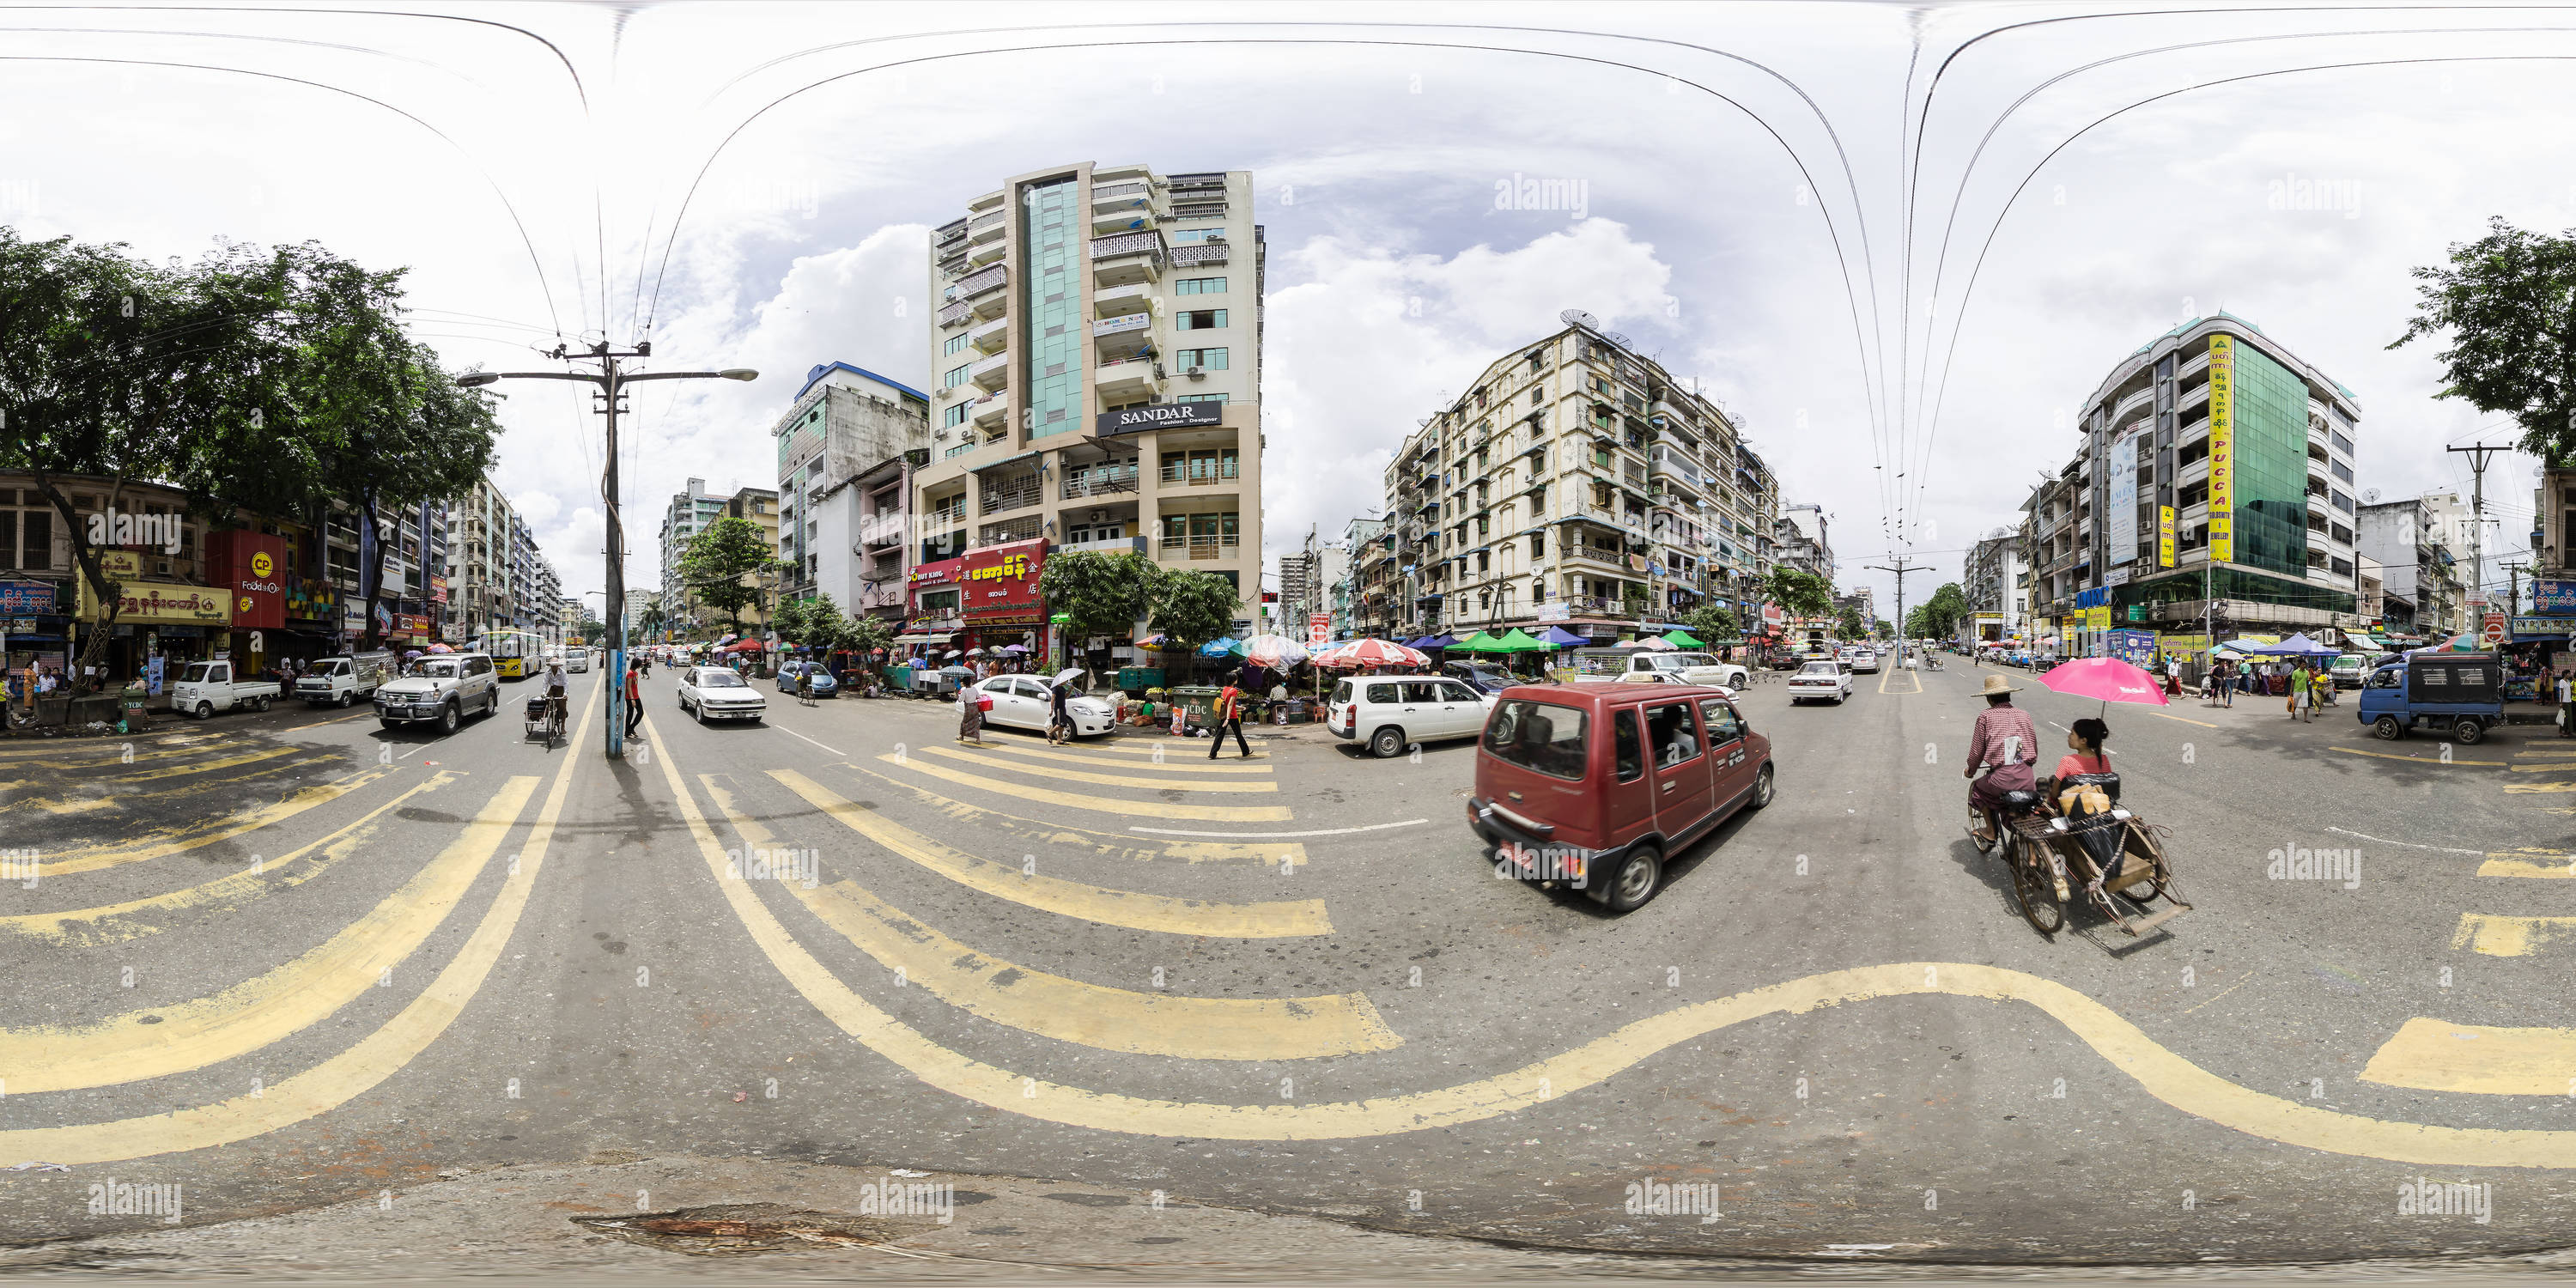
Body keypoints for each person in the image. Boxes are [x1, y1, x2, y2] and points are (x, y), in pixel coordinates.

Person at [1964, 673, 2040, 846]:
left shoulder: (1986, 716)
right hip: (2027, 776)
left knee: (1978, 788)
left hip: (2002, 778)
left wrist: (1971, 770)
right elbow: (2029, 747)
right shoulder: (2024, 715)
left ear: (1989, 699)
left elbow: (1977, 752)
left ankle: (1991, 832)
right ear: (2008, 695)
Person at [1209, 673, 1252, 759]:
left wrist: (1239, 707)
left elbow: (1227, 704)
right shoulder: (1234, 691)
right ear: (1234, 680)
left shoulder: (1225, 689)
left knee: (1220, 735)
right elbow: (1230, 705)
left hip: (1224, 715)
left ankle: (1212, 754)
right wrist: (1228, 718)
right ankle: (1245, 751)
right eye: (1236, 678)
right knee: (1238, 735)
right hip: (1231, 716)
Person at [544, 656, 568, 734]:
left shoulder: (563, 672)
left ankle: (563, 726)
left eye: (555, 666)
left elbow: (566, 683)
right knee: (547, 703)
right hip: (552, 690)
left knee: (562, 707)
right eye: (552, 666)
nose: (553, 667)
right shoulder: (548, 672)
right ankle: (552, 724)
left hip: (561, 690)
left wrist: (565, 694)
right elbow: (545, 683)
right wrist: (544, 692)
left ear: (558, 666)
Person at [957, 677, 986, 744]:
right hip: (975, 707)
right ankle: (977, 739)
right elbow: (979, 697)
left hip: (968, 708)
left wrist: (957, 694)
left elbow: (960, 700)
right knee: (975, 723)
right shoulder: (974, 688)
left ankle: (962, 736)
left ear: (964, 683)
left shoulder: (964, 690)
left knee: (965, 722)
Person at [623, 659, 644, 738]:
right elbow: (628, 687)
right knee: (630, 714)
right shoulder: (630, 674)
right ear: (636, 665)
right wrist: (632, 699)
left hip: (636, 696)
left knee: (640, 713)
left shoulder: (635, 673)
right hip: (630, 697)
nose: (640, 666)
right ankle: (628, 732)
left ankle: (630, 728)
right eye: (640, 664)